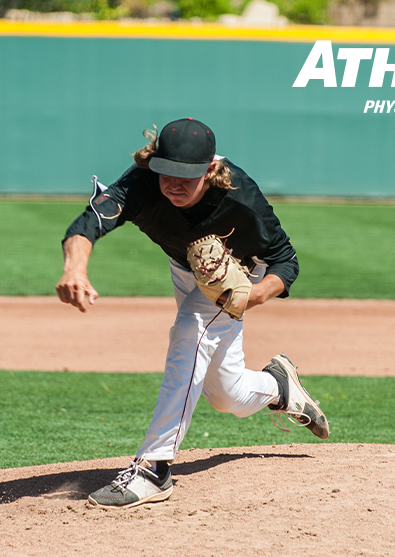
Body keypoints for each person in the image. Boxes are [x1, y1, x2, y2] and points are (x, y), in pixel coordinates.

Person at [55, 118, 329, 509]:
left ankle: (154, 468)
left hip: (235, 275)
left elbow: (285, 261)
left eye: (187, 176)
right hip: (185, 267)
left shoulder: (241, 199)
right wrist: (74, 269)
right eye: (167, 172)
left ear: (211, 170)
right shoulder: (142, 182)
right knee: (227, 395)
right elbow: (88, 223)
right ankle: (278, 387)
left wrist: (250, 296)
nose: (175, 184)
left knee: (191, 329)